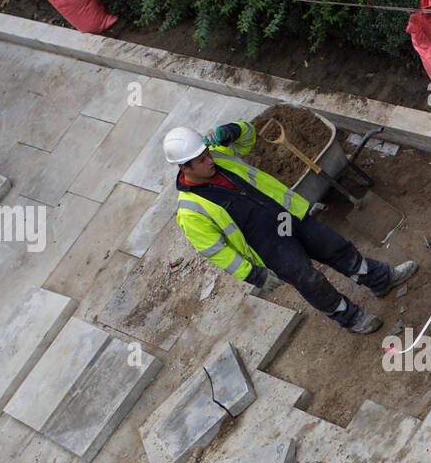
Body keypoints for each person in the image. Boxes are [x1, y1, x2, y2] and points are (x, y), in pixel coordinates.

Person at [165, 123, 415, 334]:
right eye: (201, 160)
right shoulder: (190, 211)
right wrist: (253, 275)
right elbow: (216, 251)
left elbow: (249, 136)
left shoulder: (220, 157)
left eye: (207, 153)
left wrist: (234, 129)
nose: (209, 160)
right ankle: (350, 318)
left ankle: (381, 279)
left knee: (336, 247)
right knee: (311, 281)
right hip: (268, 248)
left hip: (287, 217)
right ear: (183, 168)